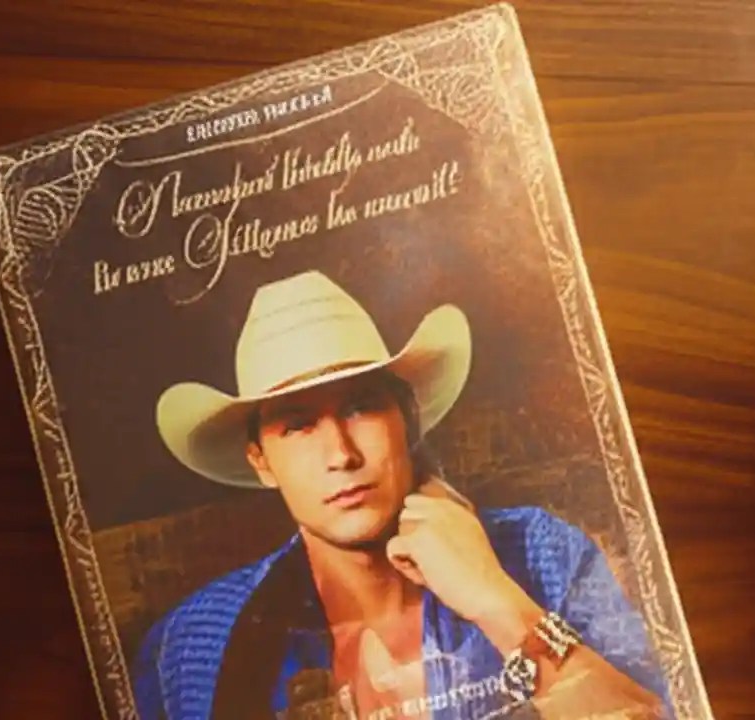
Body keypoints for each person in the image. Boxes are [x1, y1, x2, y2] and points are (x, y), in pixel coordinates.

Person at [130, 270, 673, 720]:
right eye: (297, 426)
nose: (340, 453)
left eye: (360, 407)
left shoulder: (541, 554)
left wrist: (494, 599)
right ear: (260, 462)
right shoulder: (192, 645)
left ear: (406, 420)